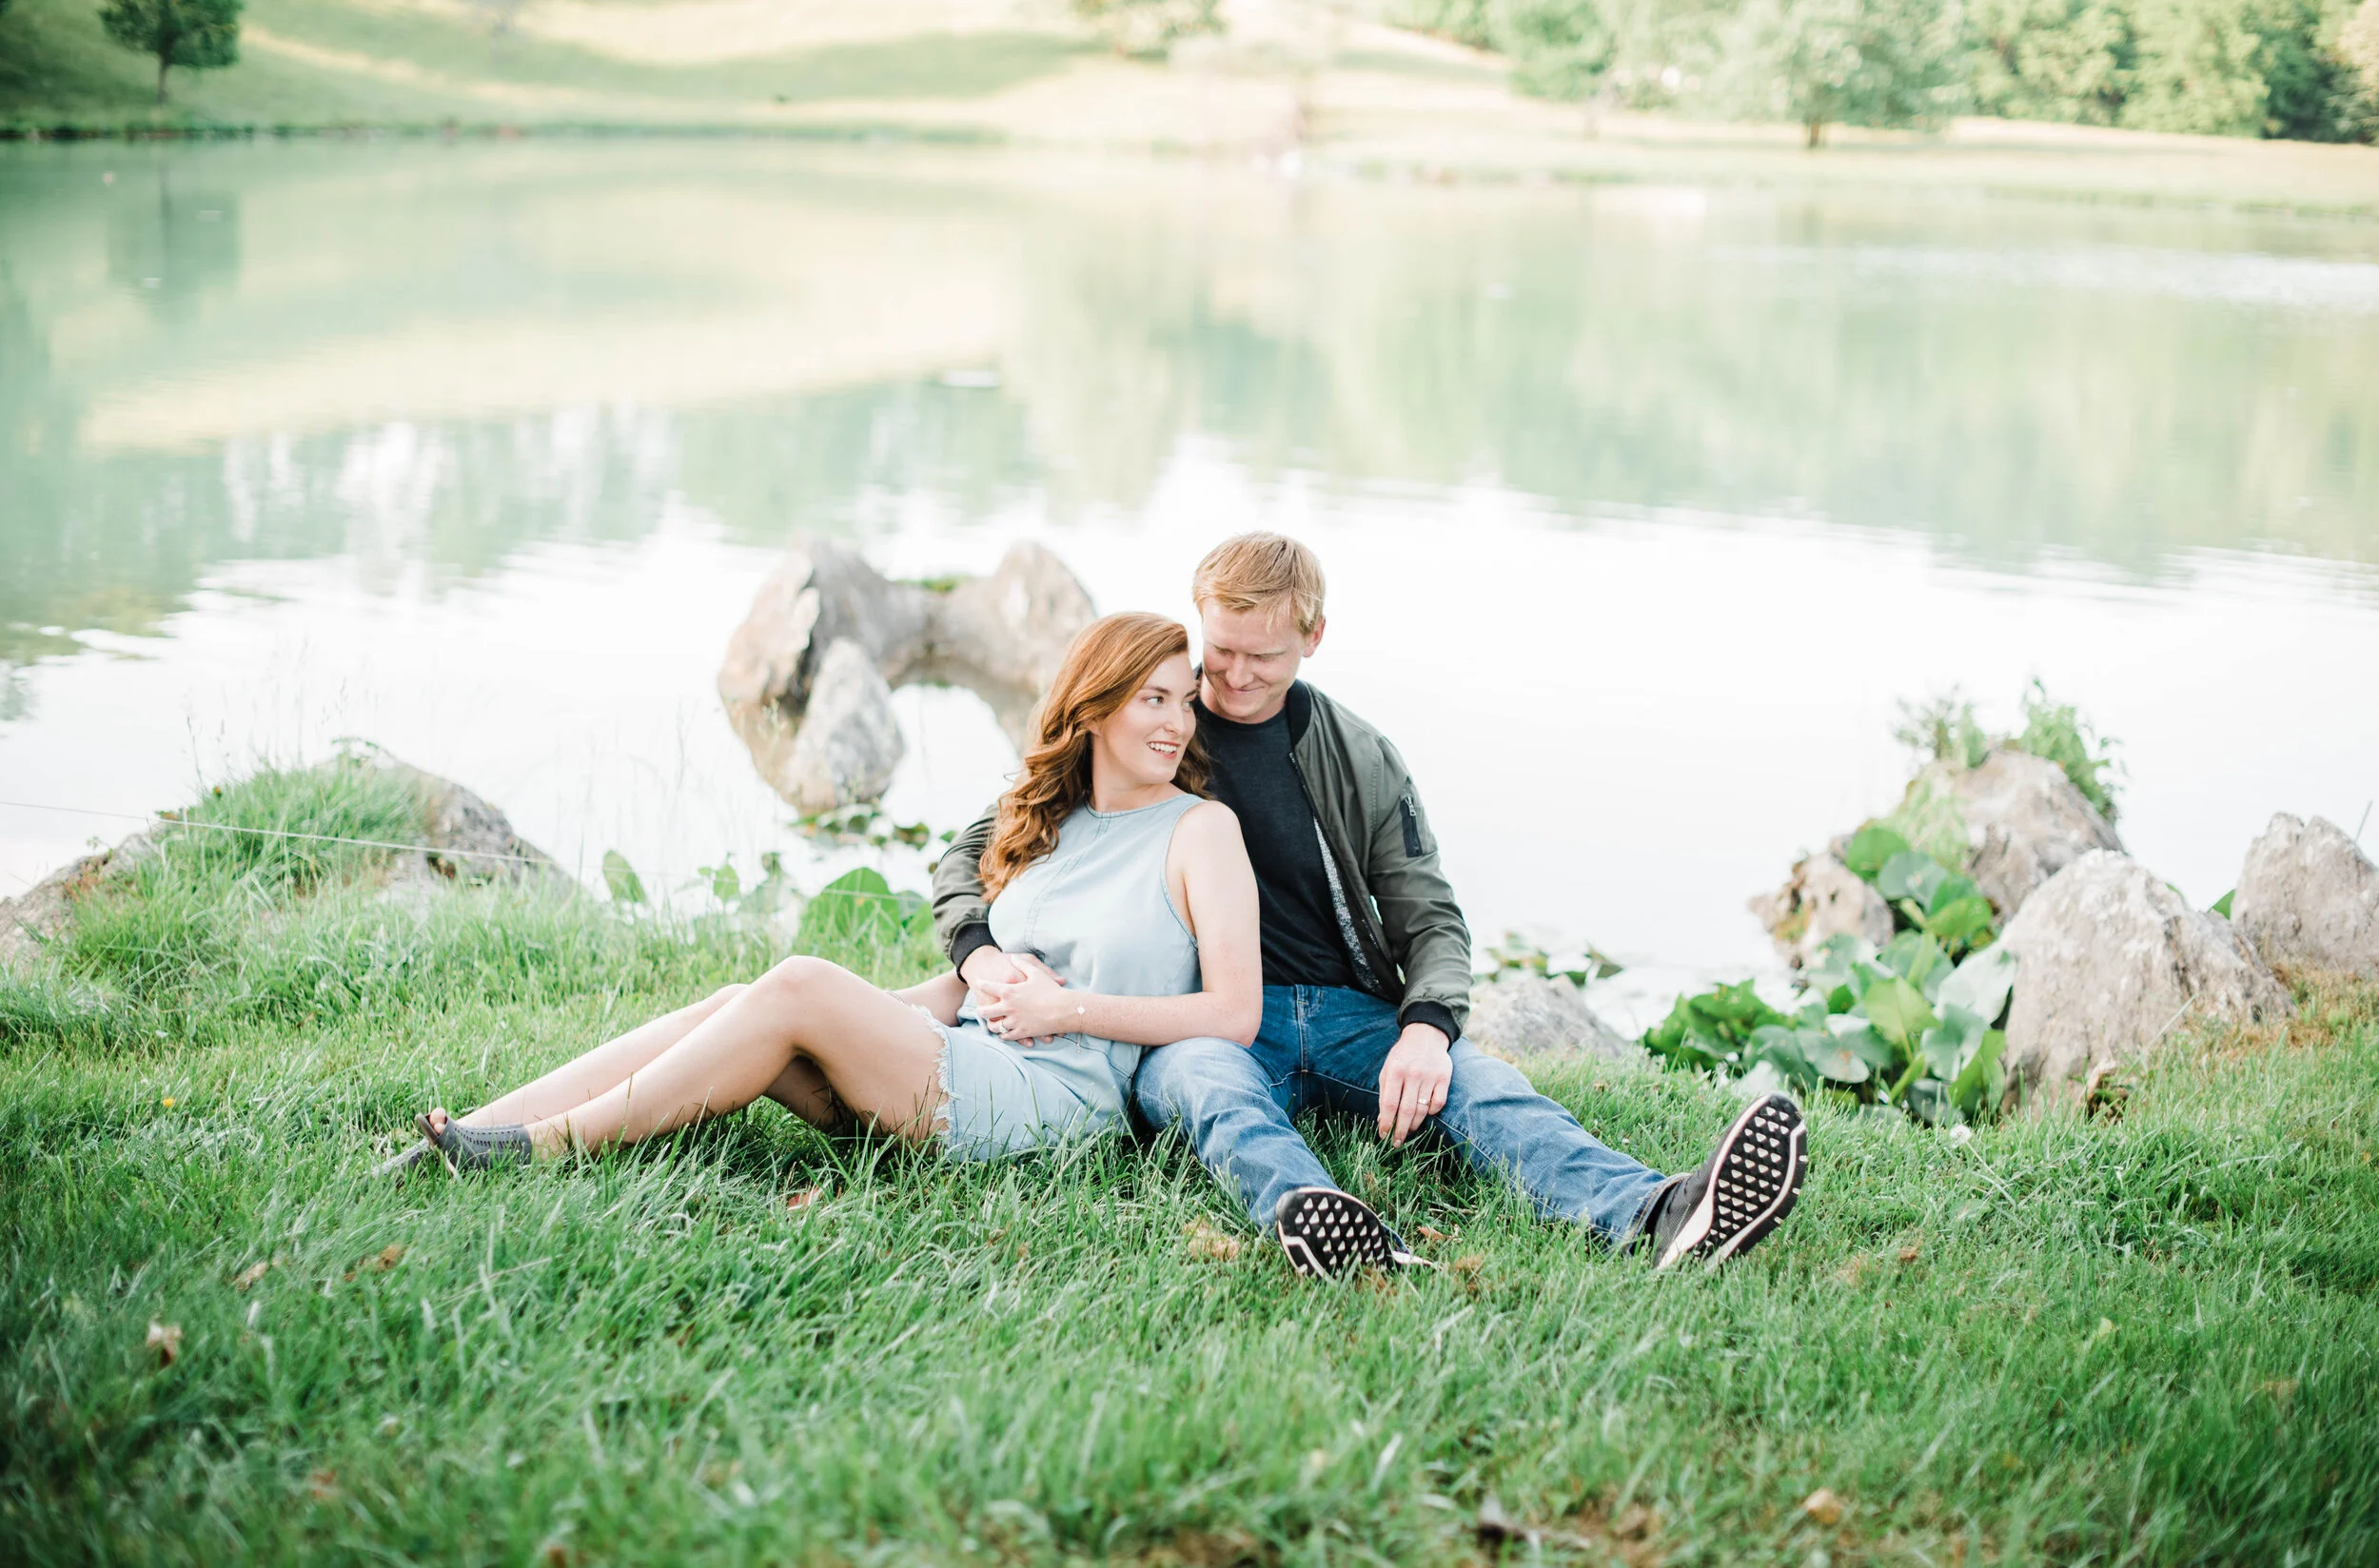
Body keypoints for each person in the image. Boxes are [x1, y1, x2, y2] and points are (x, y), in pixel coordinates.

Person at [934, 534, 1808, 1277]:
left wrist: (1427, 1028)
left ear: (1313, 637)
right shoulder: (1150, 723)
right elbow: (980, 844)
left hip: (1351, 1012)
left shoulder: (1361, 757)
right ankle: (1342, 1234)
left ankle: (1661, 1212)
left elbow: (1431, 916)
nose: (1230, 677)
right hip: (1198, 1020)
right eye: (1219, 648)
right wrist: (979, 950)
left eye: (1261, 655)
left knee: (1481, 1085)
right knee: (1204, 1083)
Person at [397, 613, 1264, 1174]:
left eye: (1183, 702)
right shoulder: (1053, 820)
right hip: (962, 1053)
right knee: (750, 1000)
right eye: (1153, 699)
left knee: (800, 982)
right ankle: (467, 1133)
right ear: (1096, 707)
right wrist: (878, 1013)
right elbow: (975, 986)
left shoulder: (1199, 832)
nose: (1177, 723)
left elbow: (1233, 1014)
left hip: (1051, 1100)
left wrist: (1069, 1012)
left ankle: (540, 1150)